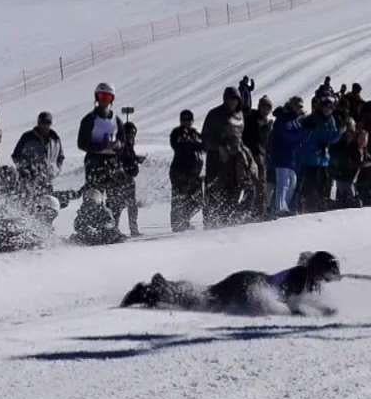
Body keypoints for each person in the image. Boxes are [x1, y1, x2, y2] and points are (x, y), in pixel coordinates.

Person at [120, 251, 341, 316]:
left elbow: (305, 257)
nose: (327, 281)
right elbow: (292, 305)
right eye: (327, 275)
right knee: (205, 301)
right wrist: (311, 312)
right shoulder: (300, 277)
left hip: (251, 282)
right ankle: (152, 291)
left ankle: (163, 287)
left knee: (206, 295)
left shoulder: (309, 279)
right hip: (246, 285)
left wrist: (323, 309)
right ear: (318, 271)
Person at [201, 87, 245, 228]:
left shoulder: (240, 115)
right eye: (230, 99)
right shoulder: (214, 114)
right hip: (216, 162)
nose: (233, 102)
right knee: (213, 194)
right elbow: (205, 138)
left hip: (234, 163)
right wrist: (219, 147)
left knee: (233, 193)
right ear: (225, 99)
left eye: (235, 99)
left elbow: (240, 137)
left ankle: (228, 223)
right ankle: (210, 223)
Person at [77, 82, 125, 206]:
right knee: (93, 197)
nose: (104, 100)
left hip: (112, 162)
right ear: (96, 98)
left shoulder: (117, 120)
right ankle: (89, 221)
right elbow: (81, 143)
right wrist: (99, 146)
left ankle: (112, 223)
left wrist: (118, 145)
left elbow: (124, 142)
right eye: (101, 97)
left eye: (107, 97)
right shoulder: (89, 119)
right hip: (94, 162)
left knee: (114, 199)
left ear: (112, 99)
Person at [298, 96, 342, 213]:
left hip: (323, 159)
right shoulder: (313, 118)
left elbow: (330, 138)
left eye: (330, 108)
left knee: (324, 183)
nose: (328, 110)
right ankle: (306, 205)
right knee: (310, 183)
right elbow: (314, 136)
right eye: (326, 107)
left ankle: (320, 204)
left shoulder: (331, 119)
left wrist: (339, 133)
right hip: (311, 157)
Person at [11, 112, 64, 201]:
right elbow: (16, 155)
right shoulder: (27, 137)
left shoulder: (55, 139)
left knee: (46, 206)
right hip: (28, 181)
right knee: (27, 205)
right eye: (42, 122)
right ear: (38, 122)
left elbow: (60, 157)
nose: (45, 125)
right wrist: (25, 169)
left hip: (47, 180)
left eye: (48, 123)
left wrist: (56, 170)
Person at [269, 97, 307, 216]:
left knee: (292, 182)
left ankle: (283, 206)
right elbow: (285, 135)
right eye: (297, 105)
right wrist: (299, 136)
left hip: (291, 156)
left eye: (301, 106)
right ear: (291, 105)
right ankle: (278, 208)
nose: (299, 108)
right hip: (281, 154)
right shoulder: (283, 117)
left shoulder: (297, 120)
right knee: (283, 182)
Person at [170, 110, 205, 232]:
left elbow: (203, 145)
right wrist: (192, 143)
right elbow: (178, 146)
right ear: (181, 121)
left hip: (194, 173)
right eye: (184, 120)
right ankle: (177, 225)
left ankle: (184, 219)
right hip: (179, 172)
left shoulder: (194, 133)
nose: (187, 122)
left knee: (198, 201)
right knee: (179, 199)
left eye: (189, 119)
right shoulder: (177, 133)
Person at [244, 95, 274, 218]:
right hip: (249, 154)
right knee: (251, 184)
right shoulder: (251, 117)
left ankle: (259, 212)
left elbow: (265, 141)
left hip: (261, 155)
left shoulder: (267, 122)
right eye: (263, 106)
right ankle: (247, 210)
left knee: (261, 185)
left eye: (268, 108)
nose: (265, 110)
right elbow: (249, 136)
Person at [114, 121, 146, 237]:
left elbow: (128, 158)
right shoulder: (121, 145)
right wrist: (120, 170)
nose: (132, 136)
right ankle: (114, 229)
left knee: (131, 206)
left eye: (133, 134)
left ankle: (133, 229)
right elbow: (117, 159)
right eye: (130, 133)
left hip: (128, 179)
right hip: (121, 180)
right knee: (117, 206)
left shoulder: (128, 145)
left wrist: (136, 159)